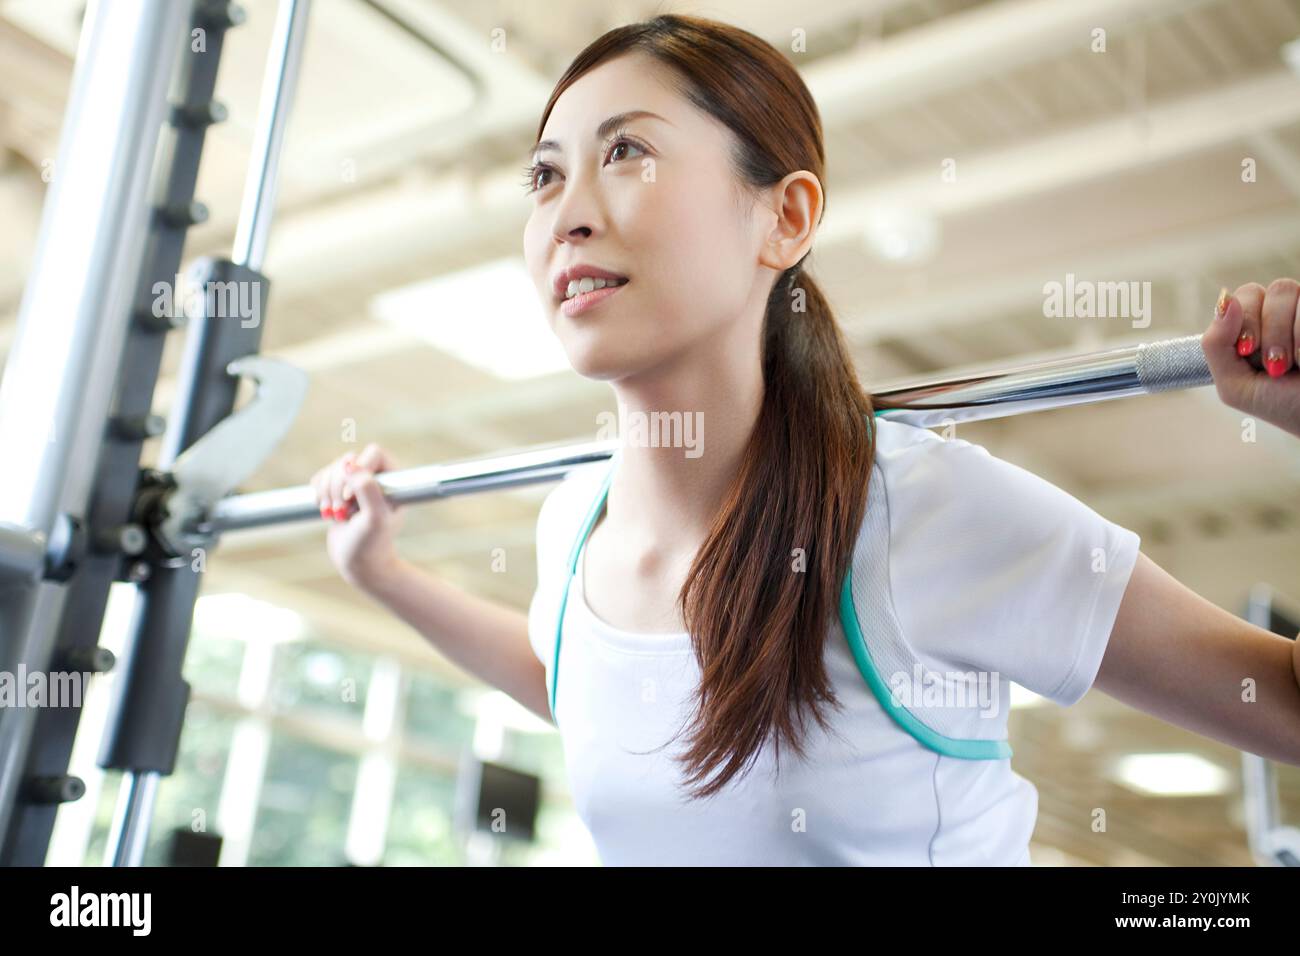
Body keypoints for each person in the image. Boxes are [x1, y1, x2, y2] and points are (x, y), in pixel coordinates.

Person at [310, 14, 1300, 865]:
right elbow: (587, 683)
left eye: (625, 151)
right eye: (542, 173)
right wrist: (385, 574)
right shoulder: (573, 523)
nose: (566, 213)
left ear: (783, 217)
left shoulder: (919, 510)